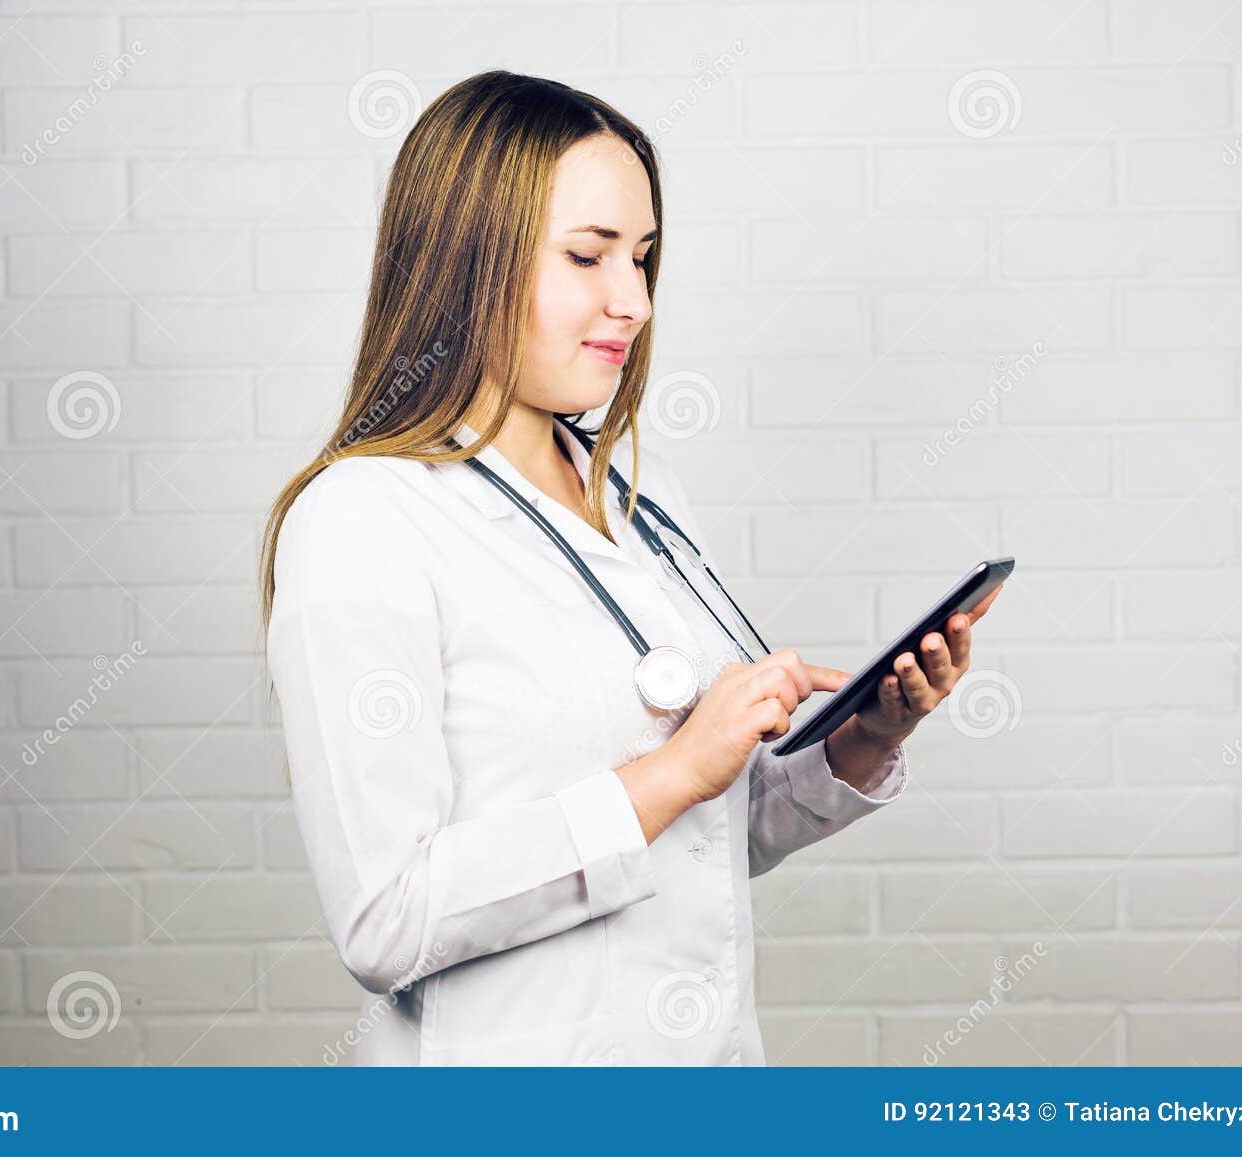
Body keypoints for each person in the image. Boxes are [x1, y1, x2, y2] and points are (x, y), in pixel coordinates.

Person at [258, 70, 1001, 1065]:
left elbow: (705, 840)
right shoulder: (362, 518)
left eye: (644, 257)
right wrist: (670, 768)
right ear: (462, 262)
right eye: (588, 256)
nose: (634, 301)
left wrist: (862, 737)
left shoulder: (644, 509)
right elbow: (385, 921)